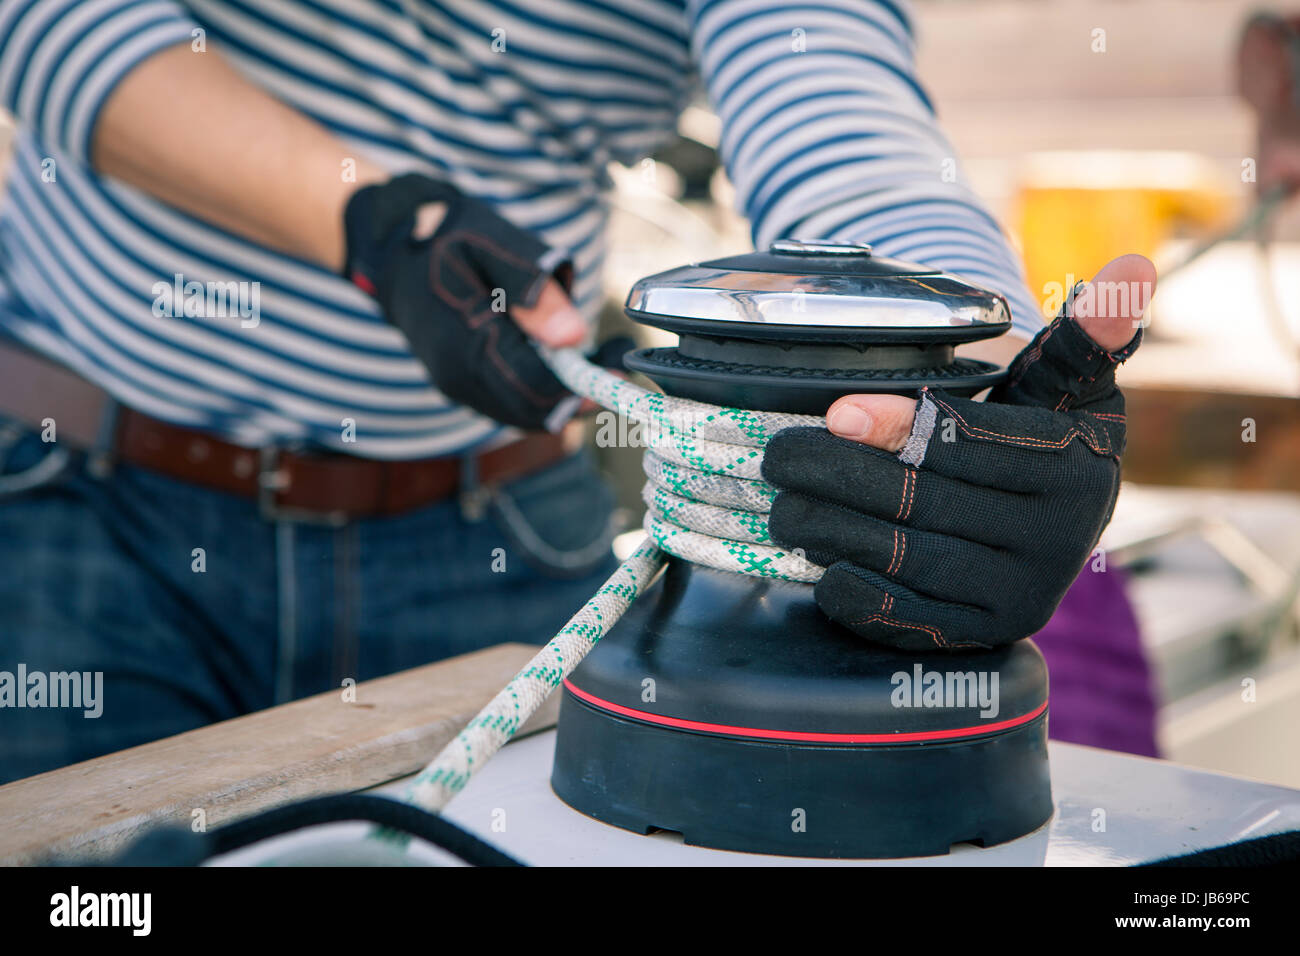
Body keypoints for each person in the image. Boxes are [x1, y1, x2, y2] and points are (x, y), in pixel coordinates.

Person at [0, 0, 1151, 783]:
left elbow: (831, 105)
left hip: (492, 532)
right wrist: (370, 218)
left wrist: (974, 398)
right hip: (81, 510)